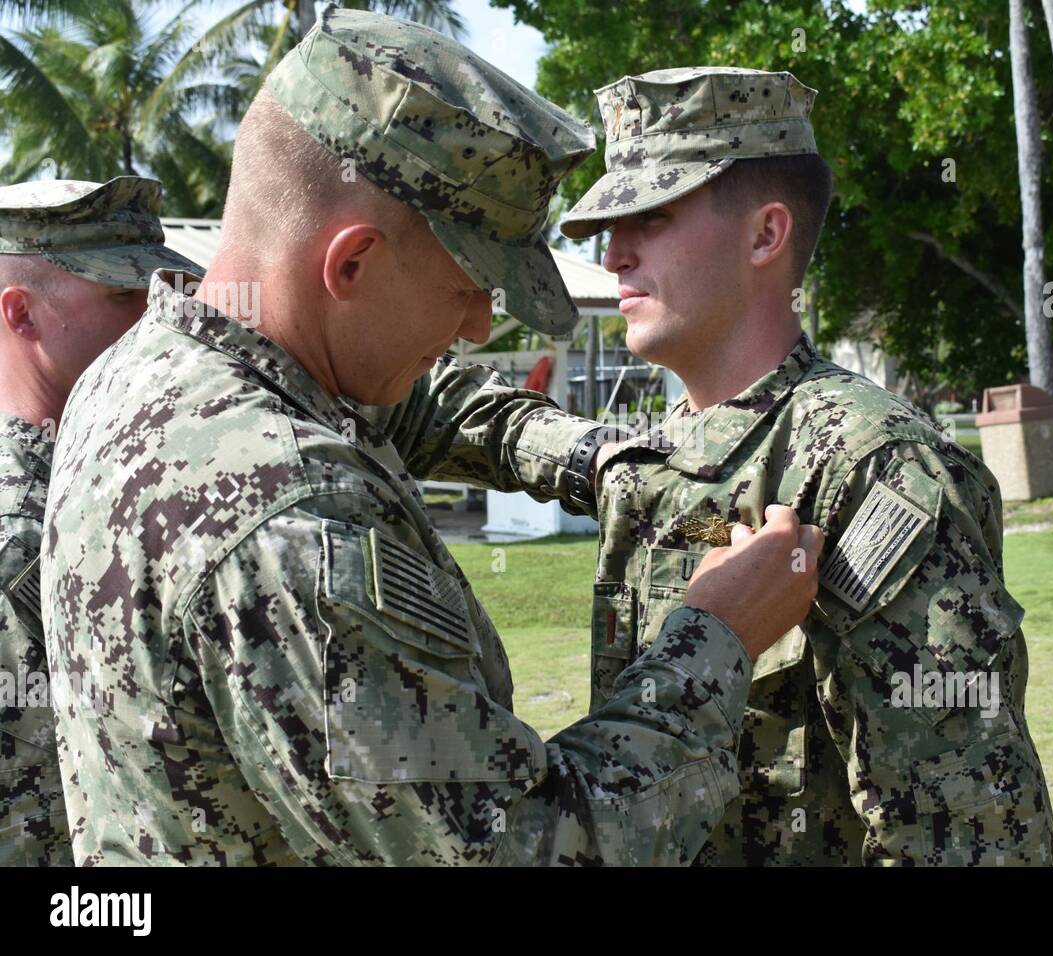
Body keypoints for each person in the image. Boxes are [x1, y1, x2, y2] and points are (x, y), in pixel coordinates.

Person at [41, 9, 822, 867]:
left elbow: (424, 407)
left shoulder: (148, 373)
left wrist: (593, 458)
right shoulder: (296, 528)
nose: (482, 324)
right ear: (352, 263)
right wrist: (713, 636)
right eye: (468, 284)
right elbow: (525, 849)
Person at [561, 67, 1053, 865]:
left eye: (649, 216)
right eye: (611, 225)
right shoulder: (664, 456)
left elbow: (967, 835)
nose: (614, 253)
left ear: (765, 235)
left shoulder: (879, 467)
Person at [0, 176, 199, 865]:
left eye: (160, 293)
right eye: (123, 297)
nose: (156, 318)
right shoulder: (18, 529)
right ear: (20, 314)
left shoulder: (118, 453)